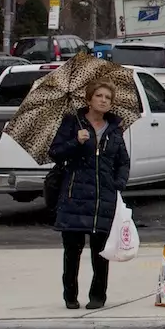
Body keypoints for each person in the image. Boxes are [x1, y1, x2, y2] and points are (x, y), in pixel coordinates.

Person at [48, 80, 131, 310]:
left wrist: (118, 184)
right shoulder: (72, 123)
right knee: (72, 252)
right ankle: (70, 295)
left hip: (103, 198)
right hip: (75, 196)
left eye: (108, 98)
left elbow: (123, 161)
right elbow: (55, 152)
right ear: (89, 99)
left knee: (101, 253)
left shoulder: (114, 129)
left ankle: (98, 296)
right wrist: (76, 141)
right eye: (99, 96)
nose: (104, 100)